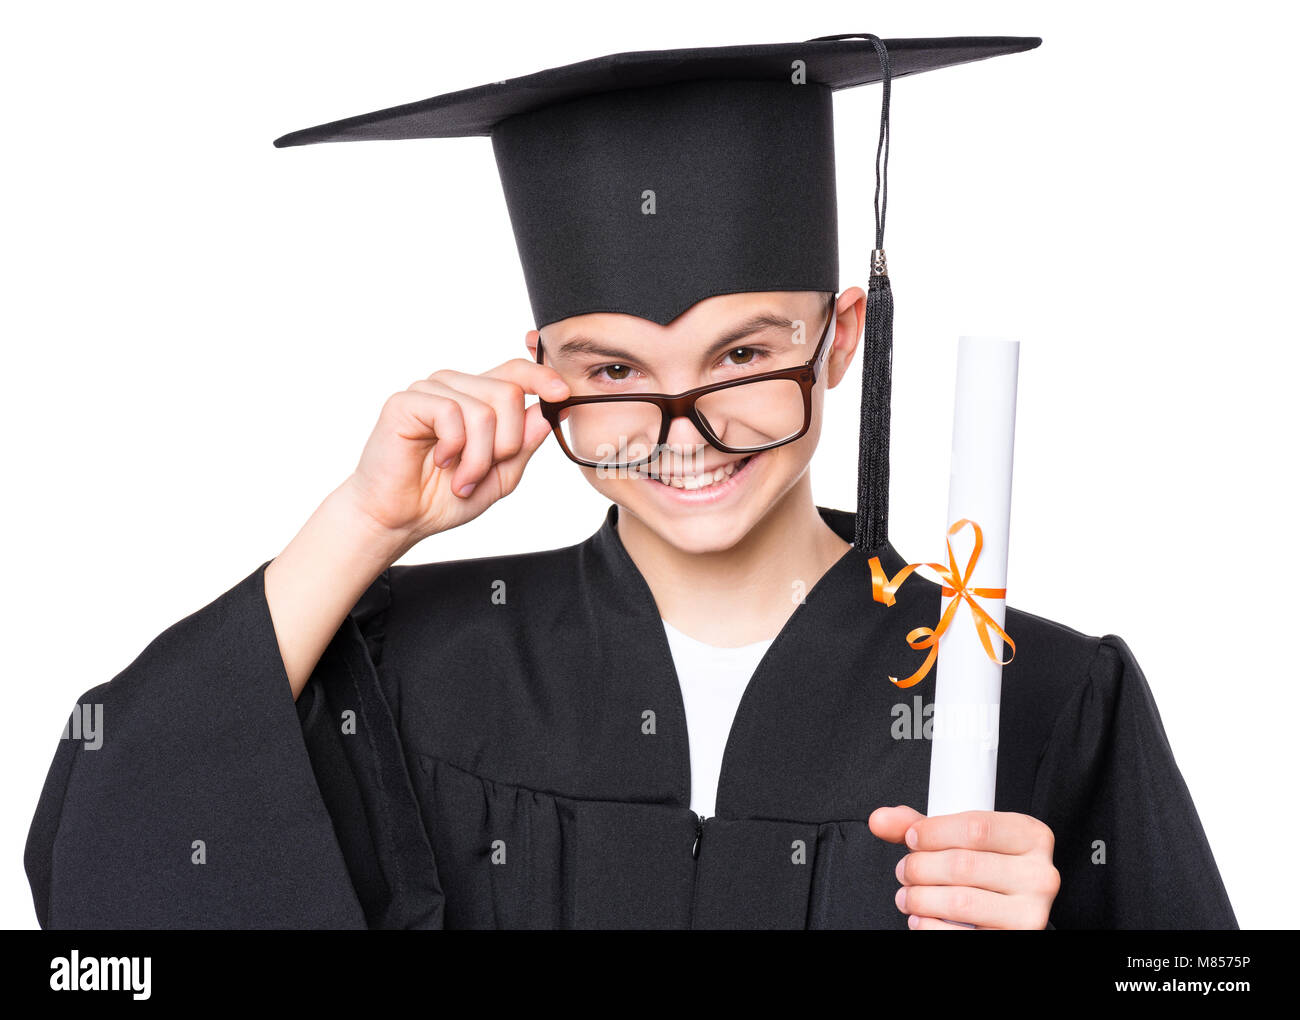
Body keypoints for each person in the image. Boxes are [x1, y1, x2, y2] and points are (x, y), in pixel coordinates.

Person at [25, 33, 1237, 930]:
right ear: (541, 370)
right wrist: (359, 525)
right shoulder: (409, 668)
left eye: (746, 356)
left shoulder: (1049, 695)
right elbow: (102, 859)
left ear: (843, 334)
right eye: (614, 369)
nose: (684, 431)